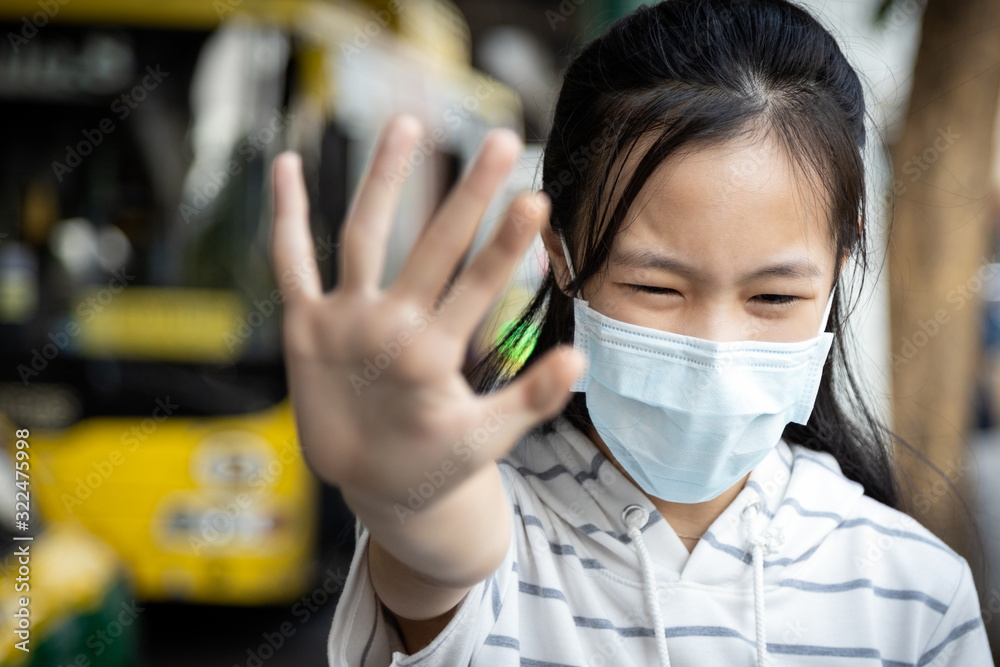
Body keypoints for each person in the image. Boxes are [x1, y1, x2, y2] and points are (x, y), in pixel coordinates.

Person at [268, 0, 994, 664]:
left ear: (841, 258)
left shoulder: (917, 592)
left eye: (773, 295)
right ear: (561, 254)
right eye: (655, 287)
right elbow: (441, 556)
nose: (717, 349)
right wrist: (410, 495)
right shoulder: (497, 530)